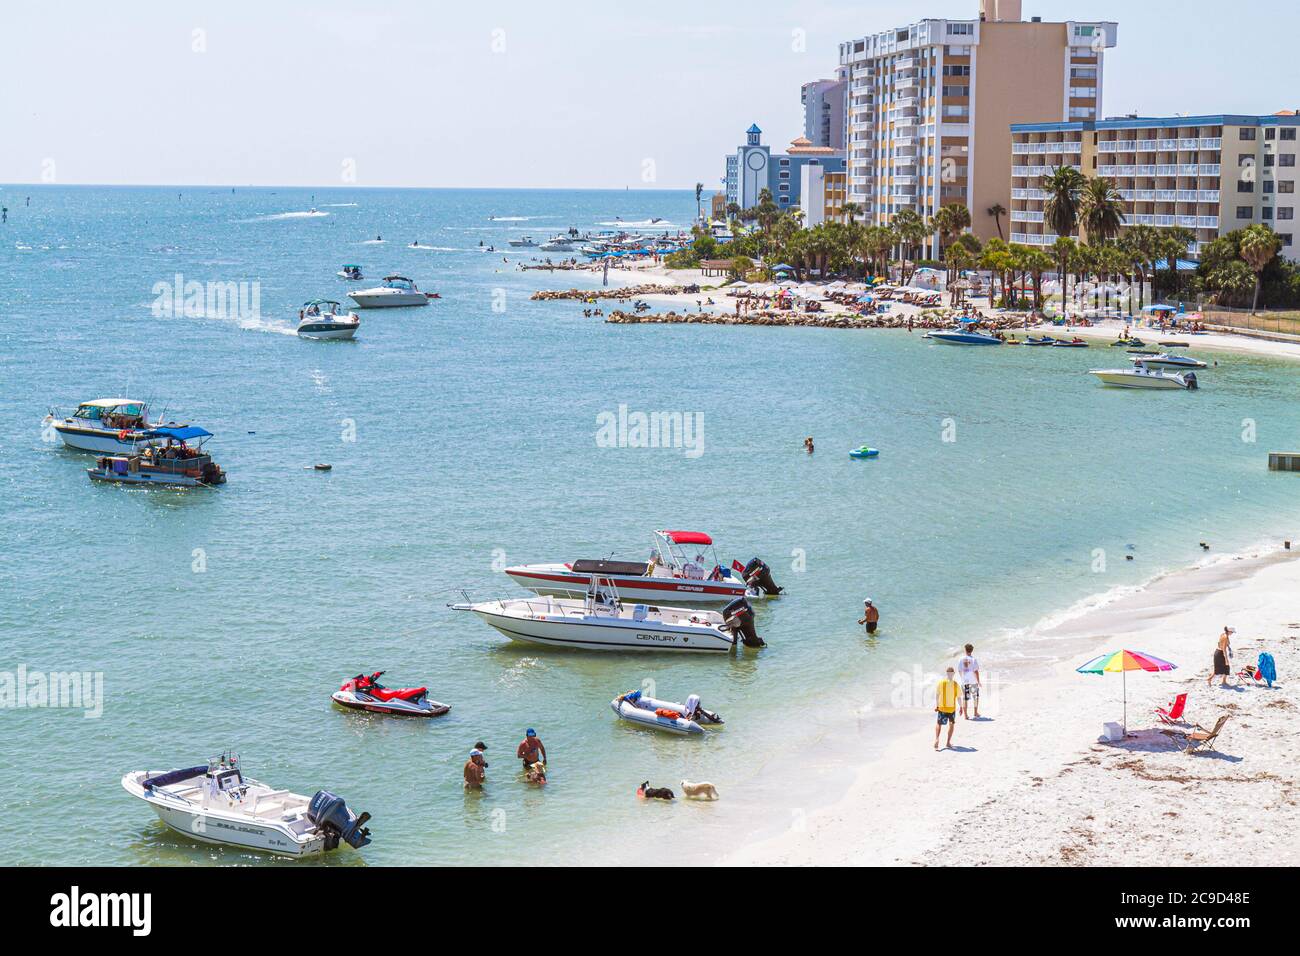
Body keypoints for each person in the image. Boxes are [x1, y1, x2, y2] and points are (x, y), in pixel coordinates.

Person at [934, 667, 960, 750]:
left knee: (939, 724)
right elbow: (959, 697)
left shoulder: (941, 683)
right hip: (951, 709)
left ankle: (937, 739)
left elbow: (937, 695)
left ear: (946, 673)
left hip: (942, 708)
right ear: (953, 673)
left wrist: (937, 705)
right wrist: (961, 707)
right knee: (951, 725)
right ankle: (948, 743)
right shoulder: (956, 684)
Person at [957, 644, 981, 719]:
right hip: (973, 681)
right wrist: (978, 681)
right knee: (975, 697)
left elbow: (959, 670)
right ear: (972, 650)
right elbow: (976, 671)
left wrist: (962, 678)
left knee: (965, 698)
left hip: (965, 682)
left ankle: (966, 715)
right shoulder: (974, 660)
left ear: (965, 650)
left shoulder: (961, 659)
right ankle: (975, 712)